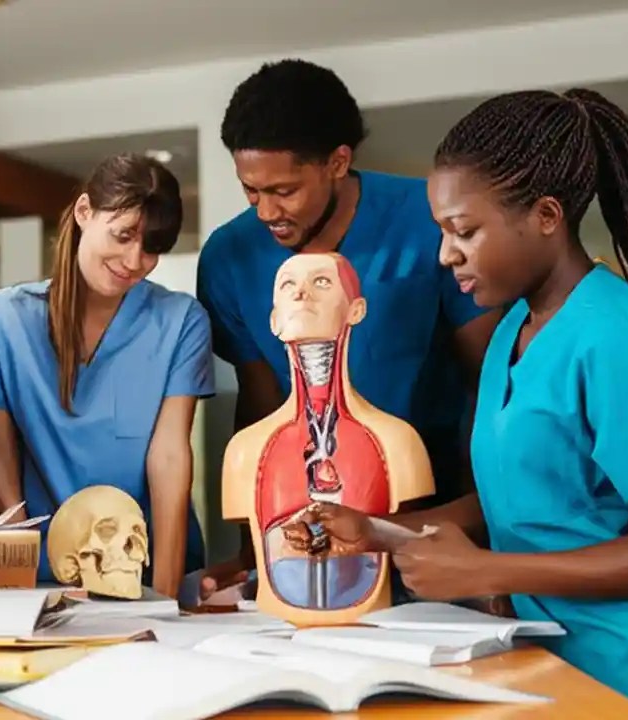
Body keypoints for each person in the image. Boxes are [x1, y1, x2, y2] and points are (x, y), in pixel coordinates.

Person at [301, 88, 628, 719]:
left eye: (464, 231)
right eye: (441, 232)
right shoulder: (509, 335)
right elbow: (525, 498)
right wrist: (375, 532)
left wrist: (489, 572)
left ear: (547, 215)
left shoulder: (621, 338)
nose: (446, 255)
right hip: (551, 669)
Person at [187, 57, 500, 605]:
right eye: (250, 191)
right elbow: (261, 406)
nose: (266, 211)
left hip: (438, 520)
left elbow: (496, 384)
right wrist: (253, 550)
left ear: (337, 161)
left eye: (284, 190)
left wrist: (485, 533)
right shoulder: (228, 256)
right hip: (309, 540)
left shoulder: (427, 222)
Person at [0, 154, 215, 598]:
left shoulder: (181, 321)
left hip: (144, 566)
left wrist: (162, 599)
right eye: (123, 236)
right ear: (85, 212)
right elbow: (2, 477)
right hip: (44, 573)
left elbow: (169, 460)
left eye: (152, 248)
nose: (134, 260)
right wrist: (22, 589)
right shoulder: (2, 322)